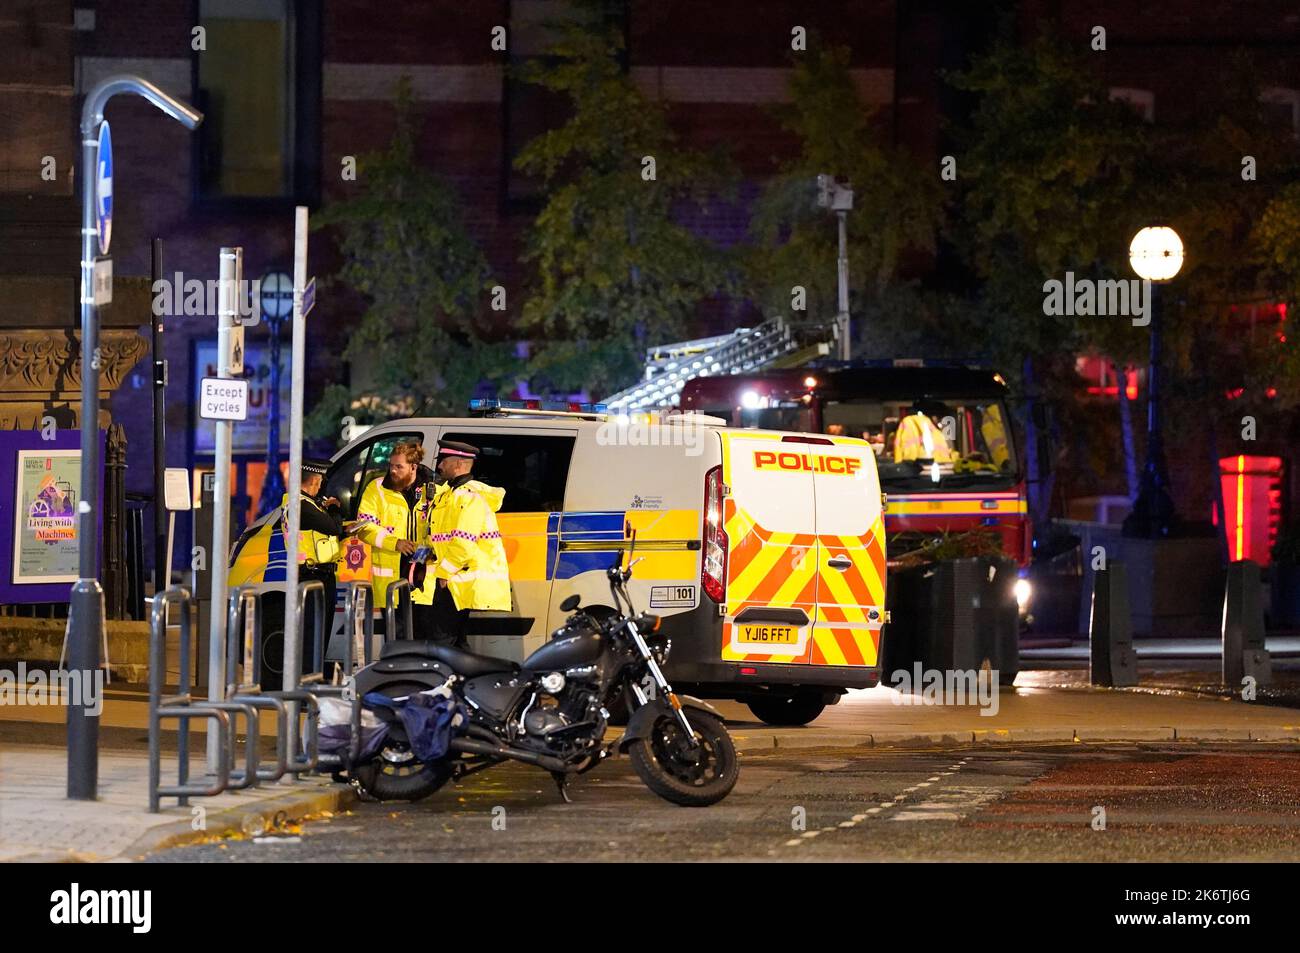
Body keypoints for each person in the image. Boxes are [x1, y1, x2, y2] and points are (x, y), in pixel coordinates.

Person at [424, 439, 511, 649]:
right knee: (456, 643)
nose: (439, 466)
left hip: (453, 577)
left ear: (457, 464)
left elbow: (464, 542)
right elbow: (439, 535)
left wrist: (444, 573)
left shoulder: (470, 497)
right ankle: (462, 681)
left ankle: (442, 681)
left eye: (443, 461)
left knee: (441, 643)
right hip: (454, 577)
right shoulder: (450, 494)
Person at [353, 441, 440, 638]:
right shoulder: (376, 489)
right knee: (395, 638)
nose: (392, 471)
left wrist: (427, 549)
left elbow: (442, 528)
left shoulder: (434, 490)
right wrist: (396, 543)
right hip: (392, 578)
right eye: (391, 465)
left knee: (424, 636)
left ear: (413, 467)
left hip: (422, 576)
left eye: (398, 467)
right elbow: (364, 527)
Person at [293, 459, 350, 665]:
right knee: (313, 636)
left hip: (320, 575)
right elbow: (333, 527)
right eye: (320, 482)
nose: (321, 487)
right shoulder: (300, 505)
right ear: (315, 480)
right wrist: (334, 508)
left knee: (318, 634)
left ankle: (312, 678)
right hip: (311, 576)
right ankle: (308, 681)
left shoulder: (308, 504)